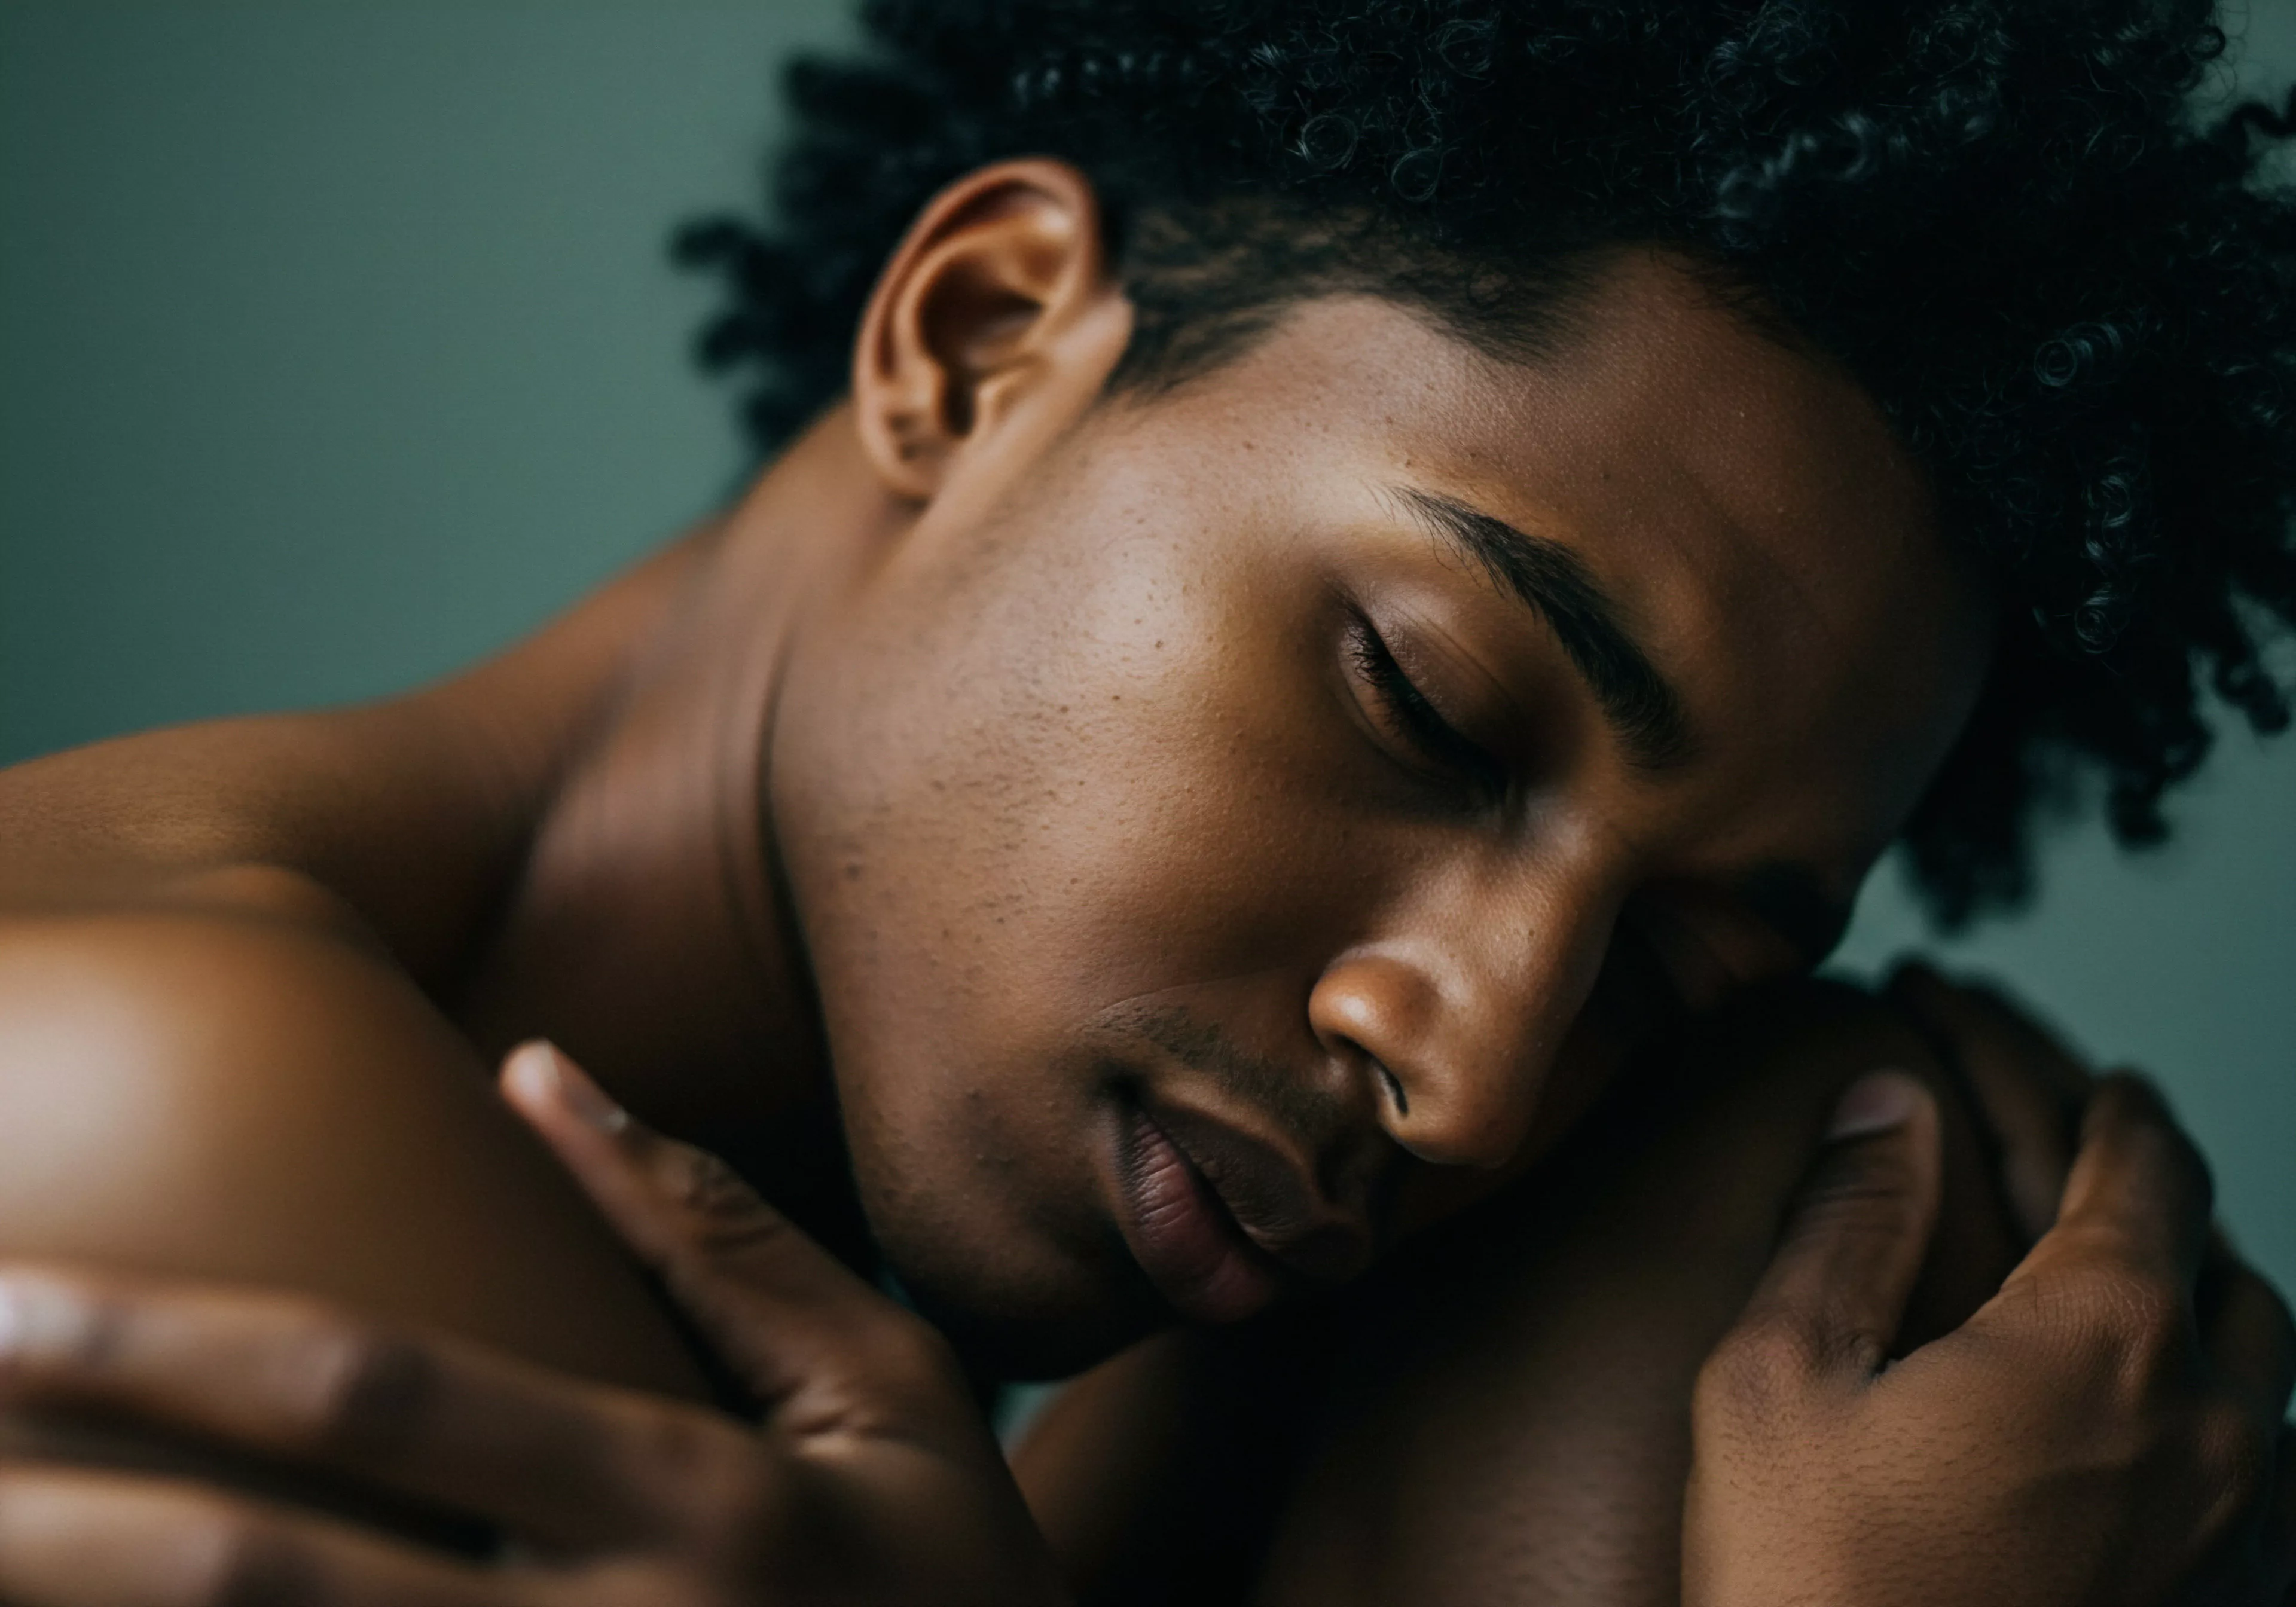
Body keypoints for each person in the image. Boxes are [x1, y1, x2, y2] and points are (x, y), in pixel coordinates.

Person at [0, 0, 2291, 1602]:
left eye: (1665, 969)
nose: (1473, 1074)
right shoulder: (161, 1105)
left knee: (1844, 1169)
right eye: (1432, 703)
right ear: (983, 344)